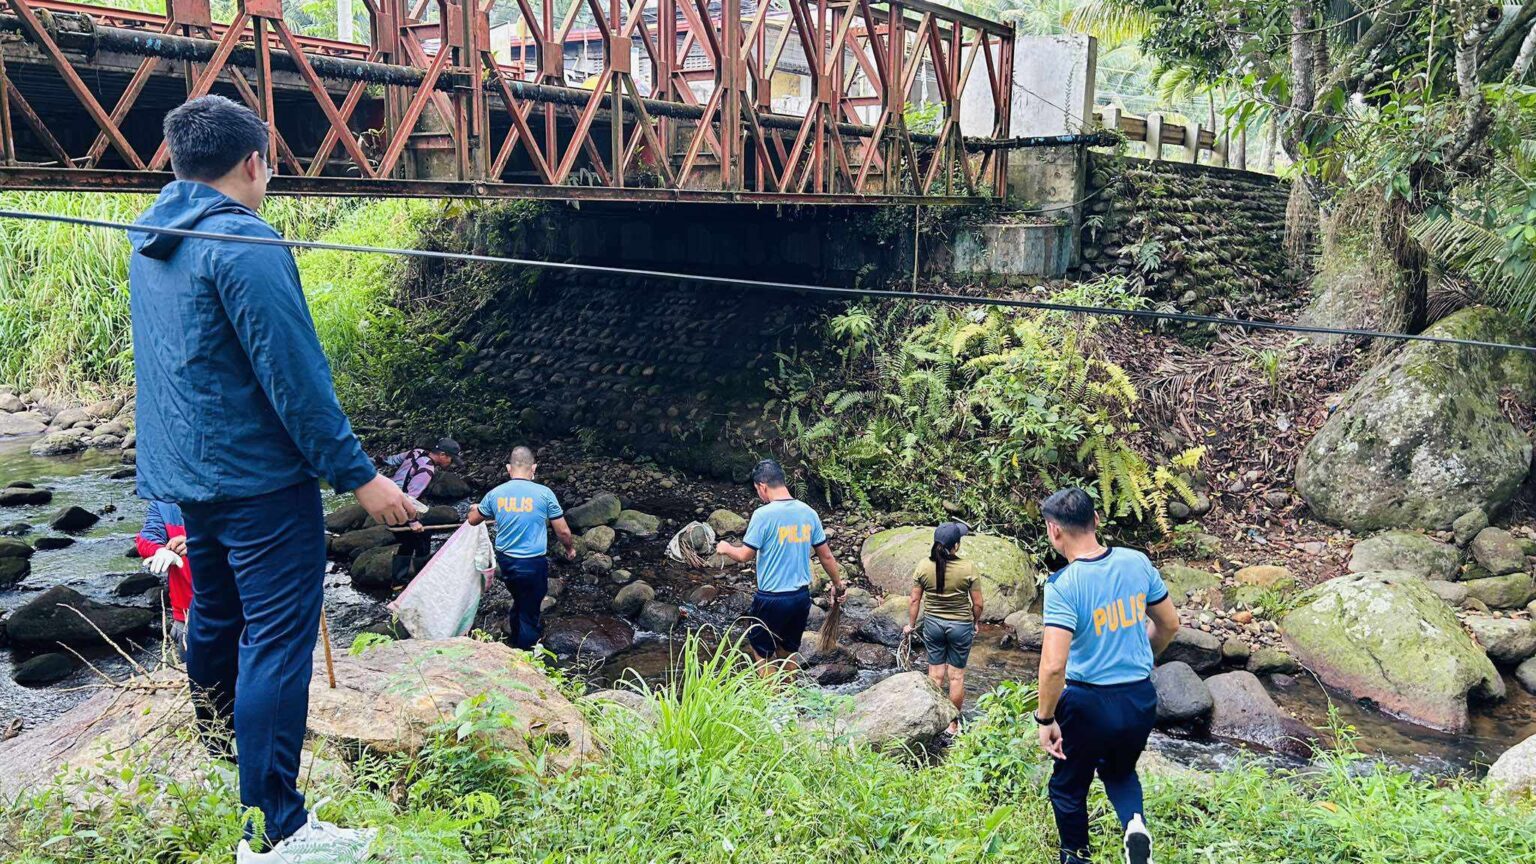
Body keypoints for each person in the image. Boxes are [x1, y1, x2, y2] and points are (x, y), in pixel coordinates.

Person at [129, 94, 413, 864]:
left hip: (190, 476)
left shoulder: (152, 238)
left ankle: (228, 760)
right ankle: (276, 827)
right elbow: (296, 380)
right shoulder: (247, 246)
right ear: (255, 162)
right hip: (258, 482)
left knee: (217, 619)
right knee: (277, 643)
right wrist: (362, 479)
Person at [1034, 488, 1179, 864]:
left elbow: (1053, 665)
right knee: (1120, 773)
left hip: (1087, 703)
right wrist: (1144, 656)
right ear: (1096, 520)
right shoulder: (1137, 563)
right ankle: (1134, 828)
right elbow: (1169, 625)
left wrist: (1045, 718)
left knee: (1068, 787)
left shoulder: (1063, 586)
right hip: (1138, 698)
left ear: (1054, 531)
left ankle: (1076, 858)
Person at [715, 459, 846, 676]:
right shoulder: (808, 513)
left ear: (762, 486)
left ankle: (771, 705)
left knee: (762, 653)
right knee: (788, 653)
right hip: (800, 599)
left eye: (758, 490)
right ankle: (789, 703)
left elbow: (744, 556)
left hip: (771, 599)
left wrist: (726, 548)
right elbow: (827, 556)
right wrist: (837, 584)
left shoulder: (763, 515)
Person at [466, 446, 575, 649]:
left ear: (509, 468)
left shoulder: (495, 494)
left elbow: (473, 520)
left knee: (520, 598)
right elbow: (564, 532)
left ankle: (513, 638)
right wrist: (569, 549)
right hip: (533, 563)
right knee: (530, 611)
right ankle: (525, 654)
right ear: (533, 467)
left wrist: (476, 508)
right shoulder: (545, 494)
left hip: (506, 562)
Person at [902, 521, 983, 735]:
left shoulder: (923, 566)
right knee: (956, 677)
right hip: (960, 626)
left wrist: (910, 626)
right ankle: (952, 726)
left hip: (933, 625)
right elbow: (978, 604)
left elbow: (914, 600)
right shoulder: (968, 568)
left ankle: (934, 723)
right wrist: (975, 622)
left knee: (935, 676)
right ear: (956, 545)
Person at [381, 437, 461, 585]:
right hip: (399, 506)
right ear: (442, 455)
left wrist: (374, 461)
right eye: (451, 459)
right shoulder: (427, 470)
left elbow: (391, 460)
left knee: (418, 538)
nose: (451, 463)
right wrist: (413, 521)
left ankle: (406, 580)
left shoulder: (417, 452)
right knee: (416, 540)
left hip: (389, 499)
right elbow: (409, 497)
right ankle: (410, 581)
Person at [137, 500, 194, 655]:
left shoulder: (231, 486)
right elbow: (147, 536)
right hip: (186, 616)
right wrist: (159, 550)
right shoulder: (163, 500)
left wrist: (201, 543)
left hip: (237, 611)